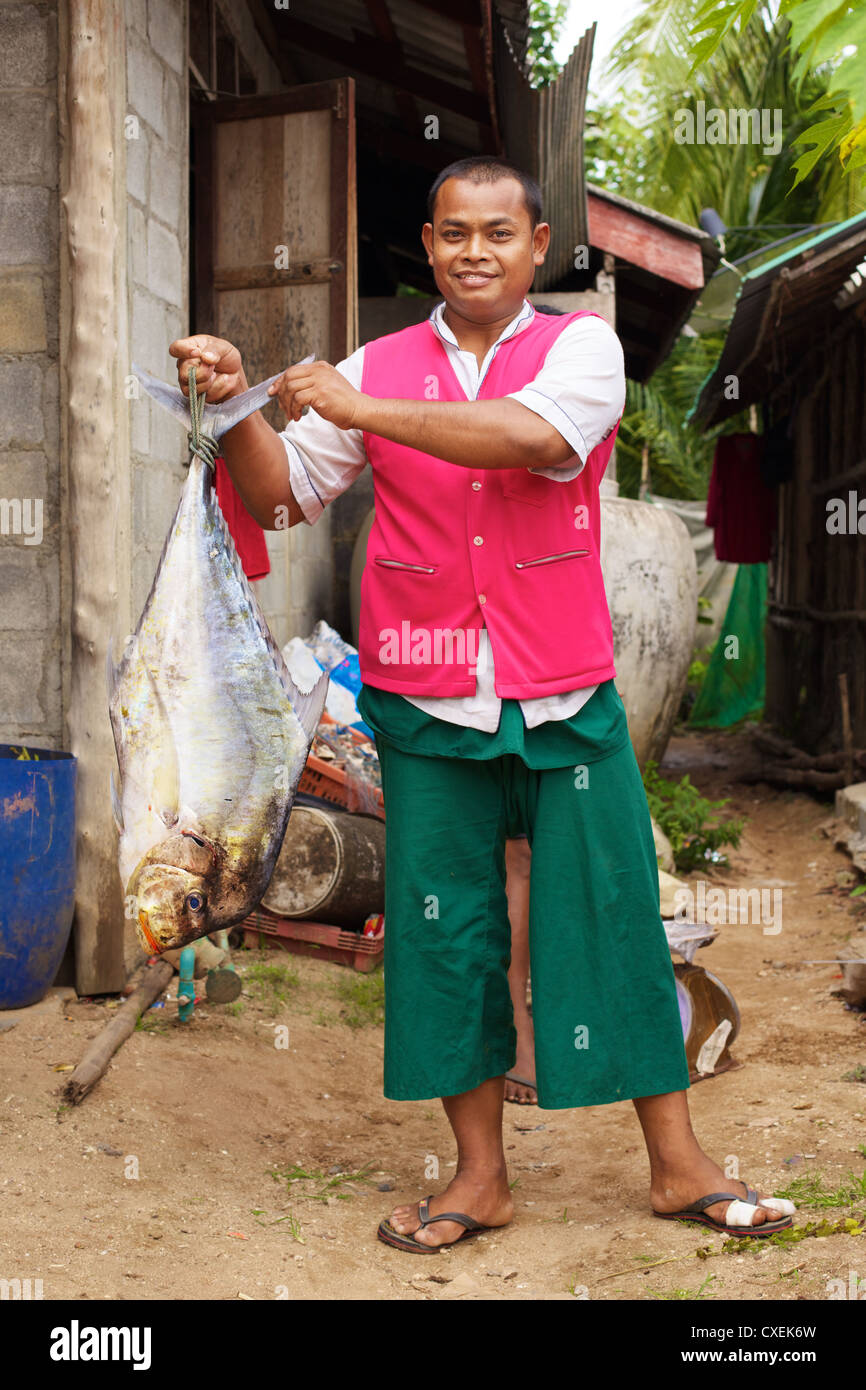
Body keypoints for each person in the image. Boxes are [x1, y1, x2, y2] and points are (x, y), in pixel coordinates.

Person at [169, 157, 796, 1251]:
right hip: (423, 696)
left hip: (561, 686)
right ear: (426, 246)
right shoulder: (384, 359)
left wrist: (364, 408)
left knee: (611, 914)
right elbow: (278, 497)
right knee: (443, 934)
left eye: (496, 233)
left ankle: (676, 1163)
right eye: (453, 233)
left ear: (536, 246)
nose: (474, 251)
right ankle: (477, 1178)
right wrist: (235, 404)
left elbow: (533, 442)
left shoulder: (578, 349)